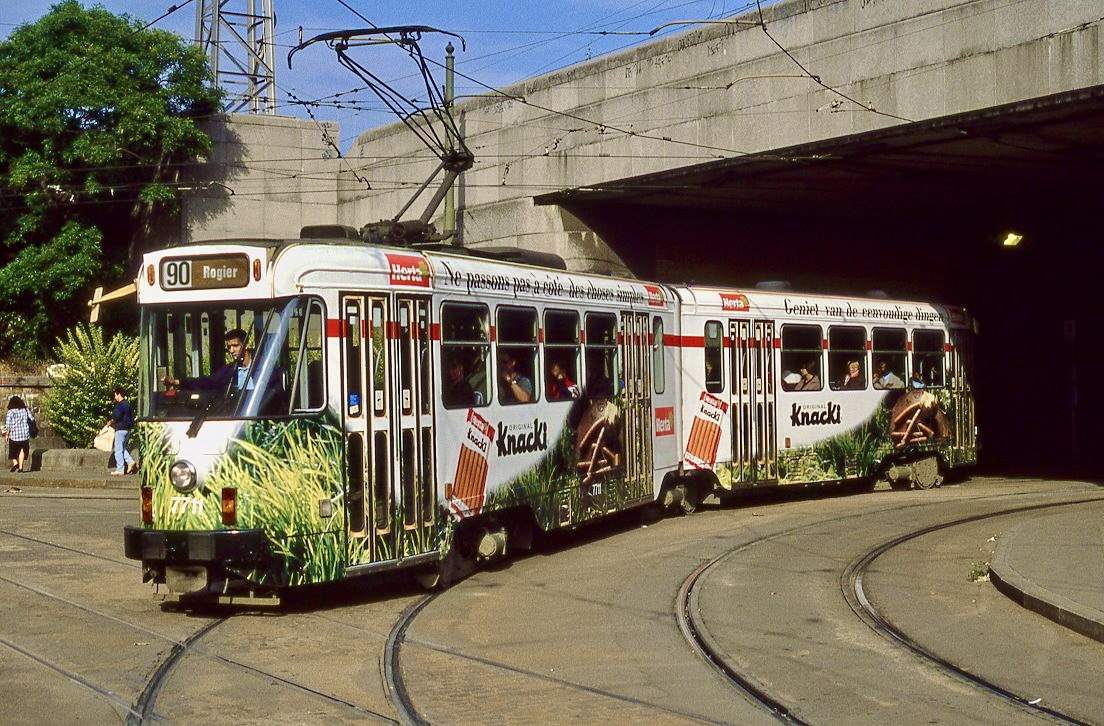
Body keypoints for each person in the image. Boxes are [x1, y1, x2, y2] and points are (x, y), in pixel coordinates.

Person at [162, 328, 254, 393]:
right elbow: (208, 382)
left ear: (246, 345)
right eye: (229, 347)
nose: (231, 350)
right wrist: (176, 382)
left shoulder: (260, 366)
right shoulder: (229, 370)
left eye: (235, 346)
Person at [106, 387, 136, 476]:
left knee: (118, 450)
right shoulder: (128, 404)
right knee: (122, 448)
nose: (114, 397)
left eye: (115, 395)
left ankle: (120, 469)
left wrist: (110, 422)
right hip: (127, 429)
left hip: (120, 429)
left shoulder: (120, 405)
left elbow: (116, 416)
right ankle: (130, 462)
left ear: (119, 394)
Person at [5, 396, 34, 473]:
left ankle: (15, 463)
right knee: (22, 449)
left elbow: (8, 425)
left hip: (14, 434)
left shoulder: (10, 412)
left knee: (12, 450)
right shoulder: (25, 410)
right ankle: (21, 468)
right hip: (24, 434)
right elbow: (32, 419)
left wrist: (7, 434)